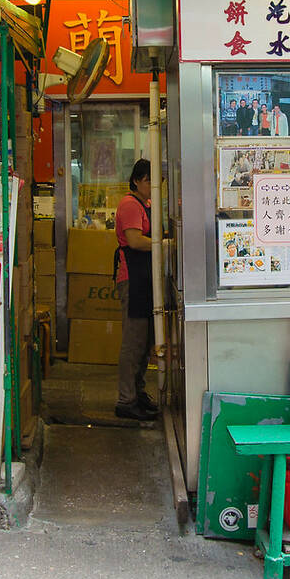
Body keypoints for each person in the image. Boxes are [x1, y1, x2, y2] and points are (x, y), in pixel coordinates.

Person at [113, 158, 159, 421]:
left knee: (144, 341)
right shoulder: (130, 204)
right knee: (133, 342)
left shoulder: (146, 204)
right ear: (137, 181)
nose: (153, 185)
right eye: (149, 180)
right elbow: (134, 241)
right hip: (132, 279)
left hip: (145, 279)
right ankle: (126, 400)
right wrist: (164, 244)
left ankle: (138, 393)